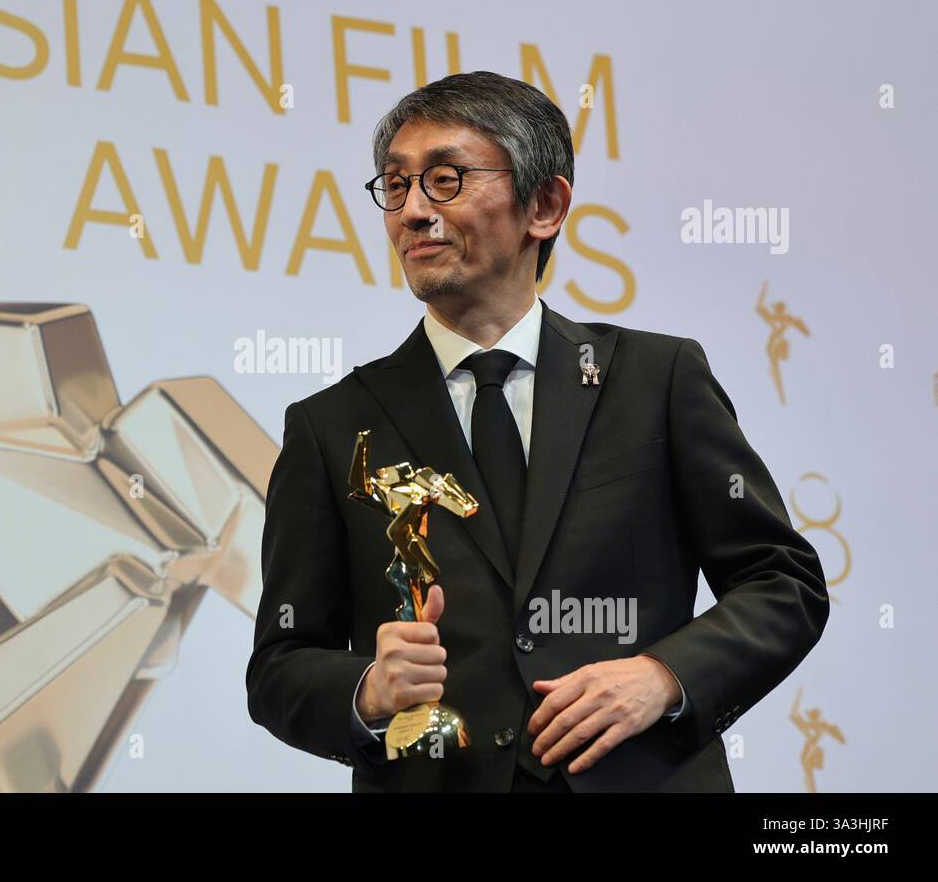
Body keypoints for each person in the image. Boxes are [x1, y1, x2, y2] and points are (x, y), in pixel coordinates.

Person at [244, 71, 830, 791]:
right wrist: (366, 688)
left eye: (446, 179)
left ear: (545, 205)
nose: (413, 211)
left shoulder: (656, 378)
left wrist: (663, 677)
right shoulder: (333, 425)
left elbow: (782, 581)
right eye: (395, 186)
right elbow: (279, 666)